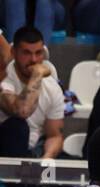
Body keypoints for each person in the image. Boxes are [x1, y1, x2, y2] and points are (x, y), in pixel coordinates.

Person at [0, 26, 62, 159]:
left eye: (38, 53)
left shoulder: (52, 87)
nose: (33, 60)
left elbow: (54, 135)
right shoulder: (3, 77)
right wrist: (37, 74)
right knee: (17, 127)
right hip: (5, 150)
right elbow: (22, 111)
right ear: (13, 52)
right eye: (26, 53)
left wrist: (47, 158)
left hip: (34, 151)